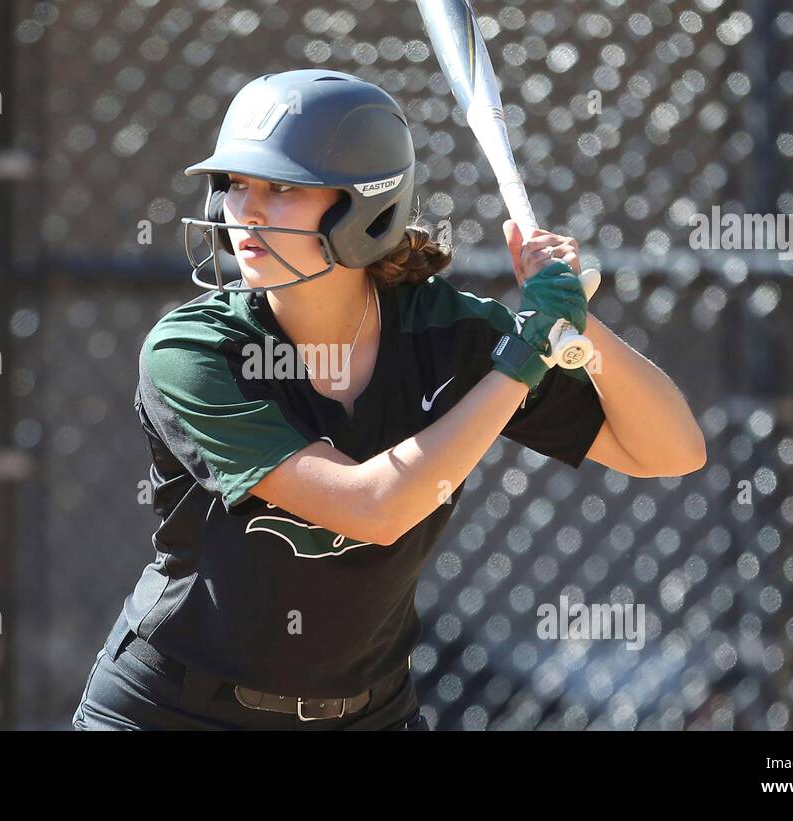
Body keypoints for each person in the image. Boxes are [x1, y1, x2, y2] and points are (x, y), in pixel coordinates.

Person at [73, 68, 705, 731]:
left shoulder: (446, 333)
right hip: (176, 711)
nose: (246, 211)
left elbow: (670, 449)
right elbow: (371, 507)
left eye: (283, 186)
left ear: (364, 207)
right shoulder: (195, 353)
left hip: (368, 713)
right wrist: (523, 360)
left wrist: (575, 322)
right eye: (235, 184)